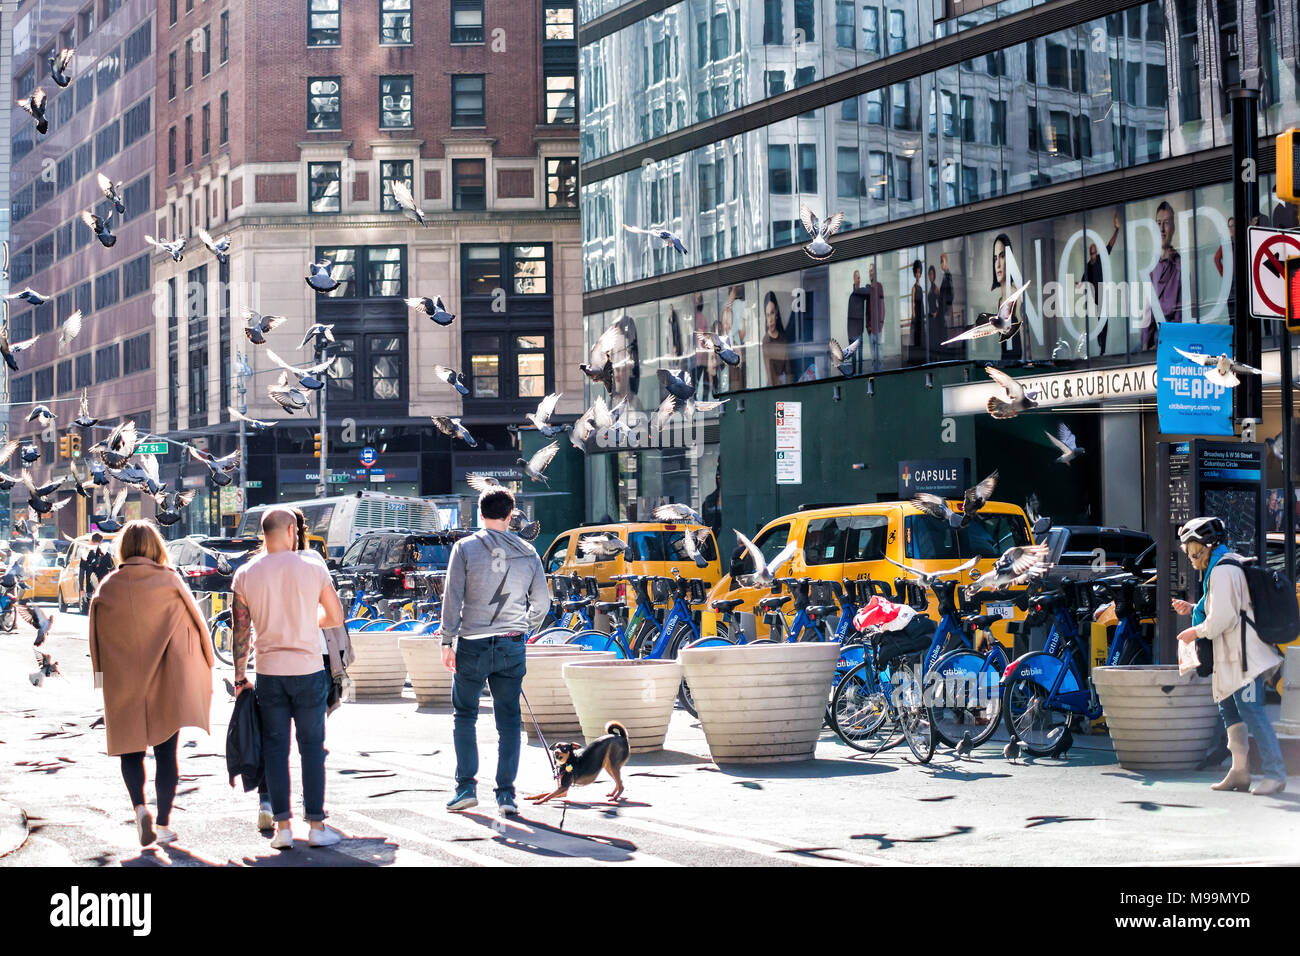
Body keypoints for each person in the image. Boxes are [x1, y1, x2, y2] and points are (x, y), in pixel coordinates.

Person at [88, 520, 214, 847]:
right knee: (166, 754)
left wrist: (100, 681)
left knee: (130, 752)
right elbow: (198, 627)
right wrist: (207, 666)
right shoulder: (169, 582)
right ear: (156, 546)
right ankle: (164, 822)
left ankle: (139, 808)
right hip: (165, 679)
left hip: (122, 681)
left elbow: (95, 641)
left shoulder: (108, 586)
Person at [232, 507, 347, 849]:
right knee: (312, 748)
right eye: (295, 530)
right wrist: (306, 620)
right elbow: (335, 616)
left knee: (275, 749)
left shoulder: (246, 573)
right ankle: (315, 826)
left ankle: (282, 829)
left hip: (269, 672)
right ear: (290, 530)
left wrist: (240, 676)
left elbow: (241, 631)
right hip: (308, 670)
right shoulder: (312, 565)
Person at [440, 486, 549, 816]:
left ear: (480, 512)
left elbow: (452, 598)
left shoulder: (464, 548)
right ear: (510, 514)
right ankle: (505, 795)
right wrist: (524, 625)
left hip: (472, 642)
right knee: (509, 719)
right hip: (511, 643)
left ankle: (466, 788)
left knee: (465, 714)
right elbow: (542, 602)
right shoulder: (528, 551)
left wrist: (447, 640)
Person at [1173, 517, 1287, 795]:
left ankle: (1275, 773)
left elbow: (1222, 618)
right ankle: (1239, 771)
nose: (1189, 556)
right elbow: (1220, 606)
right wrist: (1194, 608)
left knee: (1251, 711)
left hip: (1243, 657)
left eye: (1191, 549)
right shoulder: (1220, 568)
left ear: (1205, 547)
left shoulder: (1223, 571)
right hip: (1231, 657)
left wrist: (1194, 632)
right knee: (1230, 710)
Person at [1141, 200, 1182, 350]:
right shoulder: (1151, 266)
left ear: (1173, 227)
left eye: (1166, 223)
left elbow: (1182, 312)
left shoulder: (1180, 264)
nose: (1162, 229)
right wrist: (1145, 346)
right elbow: (1147, 309)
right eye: (1158, 223)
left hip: (1173, 342)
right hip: (1154, 343)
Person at [1079, 212, 1121, 354]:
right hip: (1097, 298)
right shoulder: (1088, 265)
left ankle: (1102, 349)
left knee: (1105, 322)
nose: (1093, 256)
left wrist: (1117, 230)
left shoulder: (1100, 258)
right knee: (1101, 322)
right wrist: (1078, 284)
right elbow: (1083, 280)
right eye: (1091, 253)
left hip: (1104, 294)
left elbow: (1110, 245)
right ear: (1089, 254)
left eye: (1094, 253)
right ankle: (1099, 336)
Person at [761, 291, 792, 385]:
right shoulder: (766, 341)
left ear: (777, 313)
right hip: (773, 387)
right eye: (767, 315)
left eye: (772, 313)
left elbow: (788, 370)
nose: (770, 319)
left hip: (785, 386)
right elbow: (770, 375)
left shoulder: (783, 338)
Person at [80, 532, 115, 607]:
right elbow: (113, 570)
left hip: (90, 589)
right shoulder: (106, 554)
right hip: (103, 588)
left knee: (92, 610)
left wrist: (81, 589)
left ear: (91, 541)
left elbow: (81, 572)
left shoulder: (85, 554)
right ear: (101, 542)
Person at [910, 259, 926, 362]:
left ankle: (922, 356)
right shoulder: (914, 288)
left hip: (921, 312)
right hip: (917, 313)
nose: (917, 274)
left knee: (922, 333)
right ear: (914, 273)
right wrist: (914, 314)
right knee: (916, 334)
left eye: (919, 272)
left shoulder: (920, 287)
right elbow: (912, 302)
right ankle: (916, 358)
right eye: (916, 272)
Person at [701, 464, 722, 537]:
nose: (718, 477)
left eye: (720, 475)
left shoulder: (735, 501)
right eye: (717, 475)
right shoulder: (709, 501)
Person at [938, 253, 955, 344]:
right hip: (944, 310)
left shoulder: (948, 276)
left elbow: (951, 294)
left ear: (946, 263)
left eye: (942, 262)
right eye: (940, 262)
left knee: (945, 334)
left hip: (946, 310)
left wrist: (946, 310)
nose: (941, 264)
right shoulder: (945, 276)